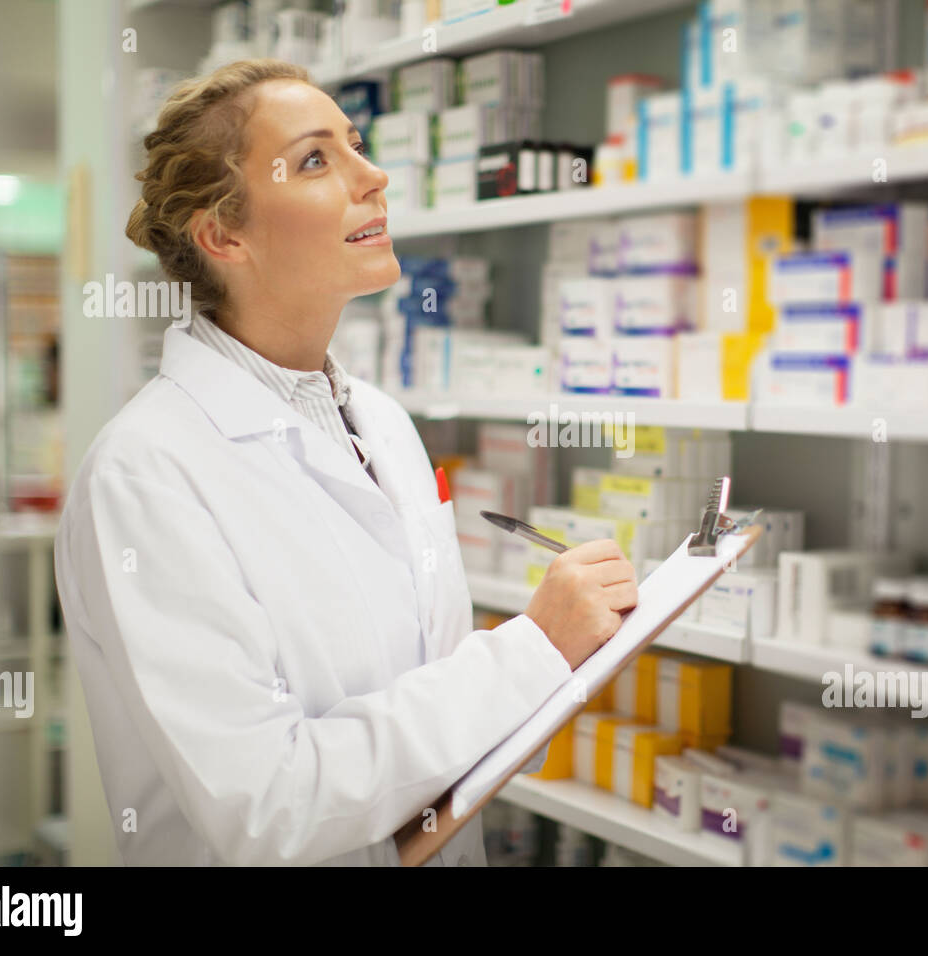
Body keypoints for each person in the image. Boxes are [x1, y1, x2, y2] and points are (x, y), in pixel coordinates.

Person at [53, 59, 638, 866]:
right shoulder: (144, 474)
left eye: (357, 144)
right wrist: (532, 651)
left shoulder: (384, 425)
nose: (375, 175)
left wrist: (553, 665)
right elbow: (267, 809)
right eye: (317, 159)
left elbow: (431, 703)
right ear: (223, 235)